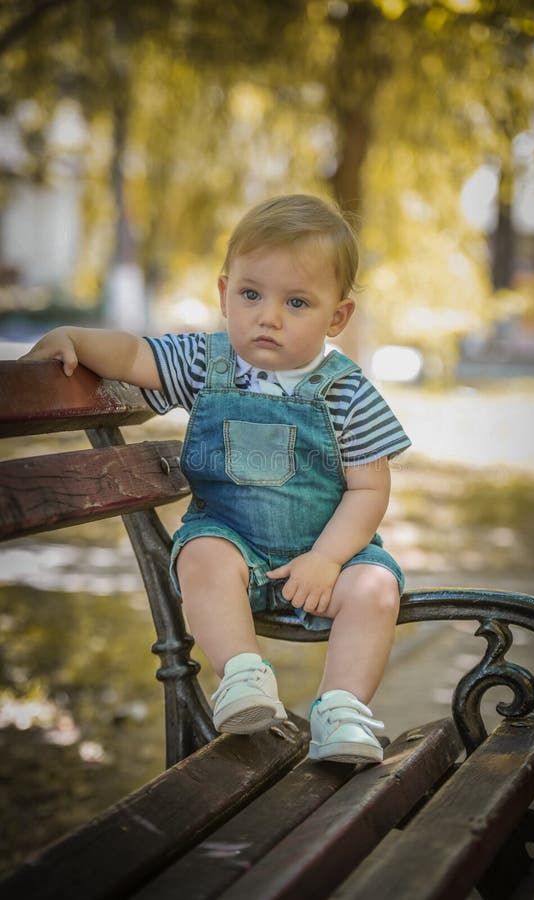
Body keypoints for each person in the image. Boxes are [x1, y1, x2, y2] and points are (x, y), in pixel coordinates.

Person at [21, 194, 411, 764]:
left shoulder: (348, 390)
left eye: (297, 302)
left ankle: (342, 710)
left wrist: (328, 560)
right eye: (251, 294)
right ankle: (244, 676)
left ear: (337, 317)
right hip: (233, 549)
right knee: (200, 553)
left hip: (329, 560)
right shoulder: (208, 362)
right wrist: (76, 338)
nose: (268, 316)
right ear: (225, 292)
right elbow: (134, 355)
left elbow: (370, 489)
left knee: (376, 589)